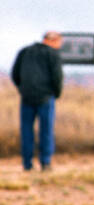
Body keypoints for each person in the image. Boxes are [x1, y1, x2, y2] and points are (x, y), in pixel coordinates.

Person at [11, 32, 64, 172]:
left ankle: (27, 164)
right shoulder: (52, 54)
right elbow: (57, 76)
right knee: (46, 131)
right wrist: (56, 93)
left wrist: (23, 89)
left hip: (26, 98)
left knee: (26, 131)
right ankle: (45, 163)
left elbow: (15, 74)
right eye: (59, 42)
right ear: (53, 40)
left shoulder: (24, 52)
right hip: (45, 98)